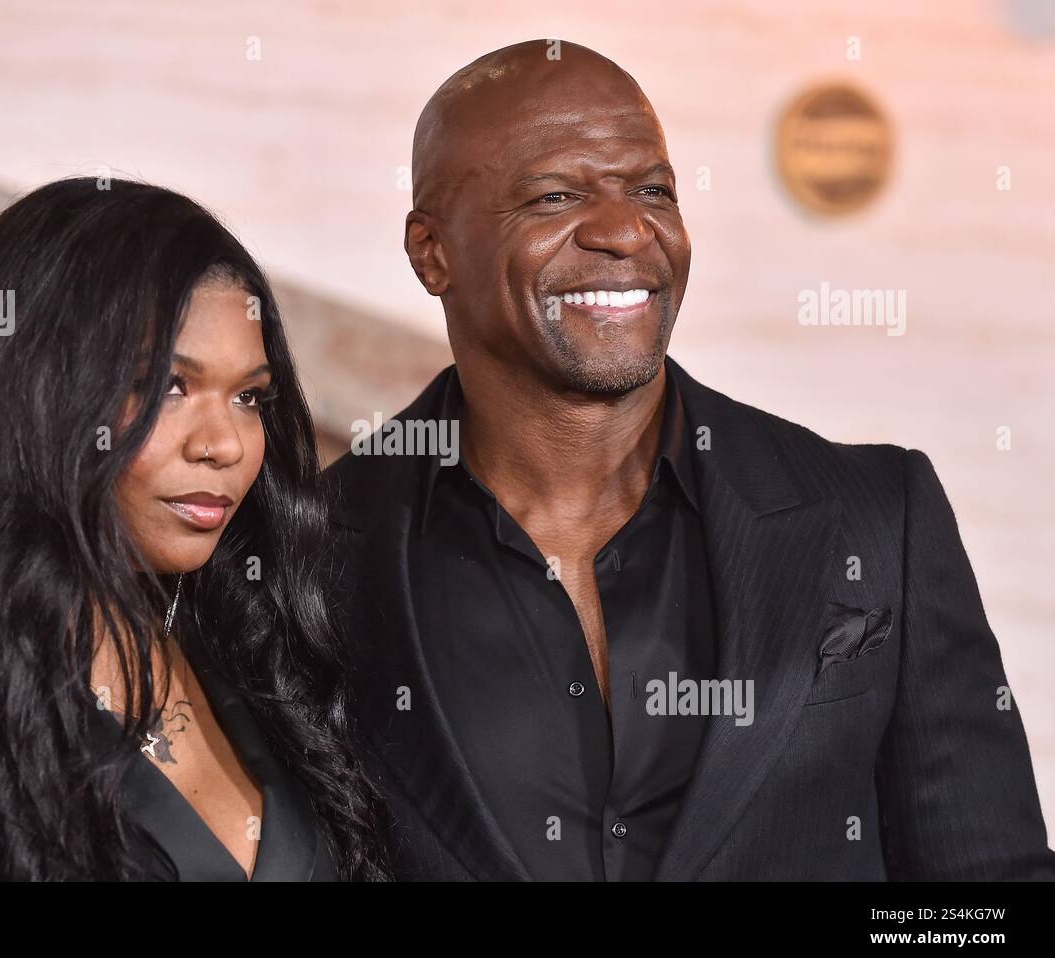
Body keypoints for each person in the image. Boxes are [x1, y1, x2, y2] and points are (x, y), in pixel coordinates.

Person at [323, 40, 1055, 880]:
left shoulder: (877, 514)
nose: (625, 229)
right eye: (556, 195)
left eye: (651, 191)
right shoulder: (318, 548)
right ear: (431, 251)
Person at [0, 177, 389, 881]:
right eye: (167, 387)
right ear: (33, 392)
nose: (225, 445)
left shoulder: (260, 651)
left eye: (248, 397)